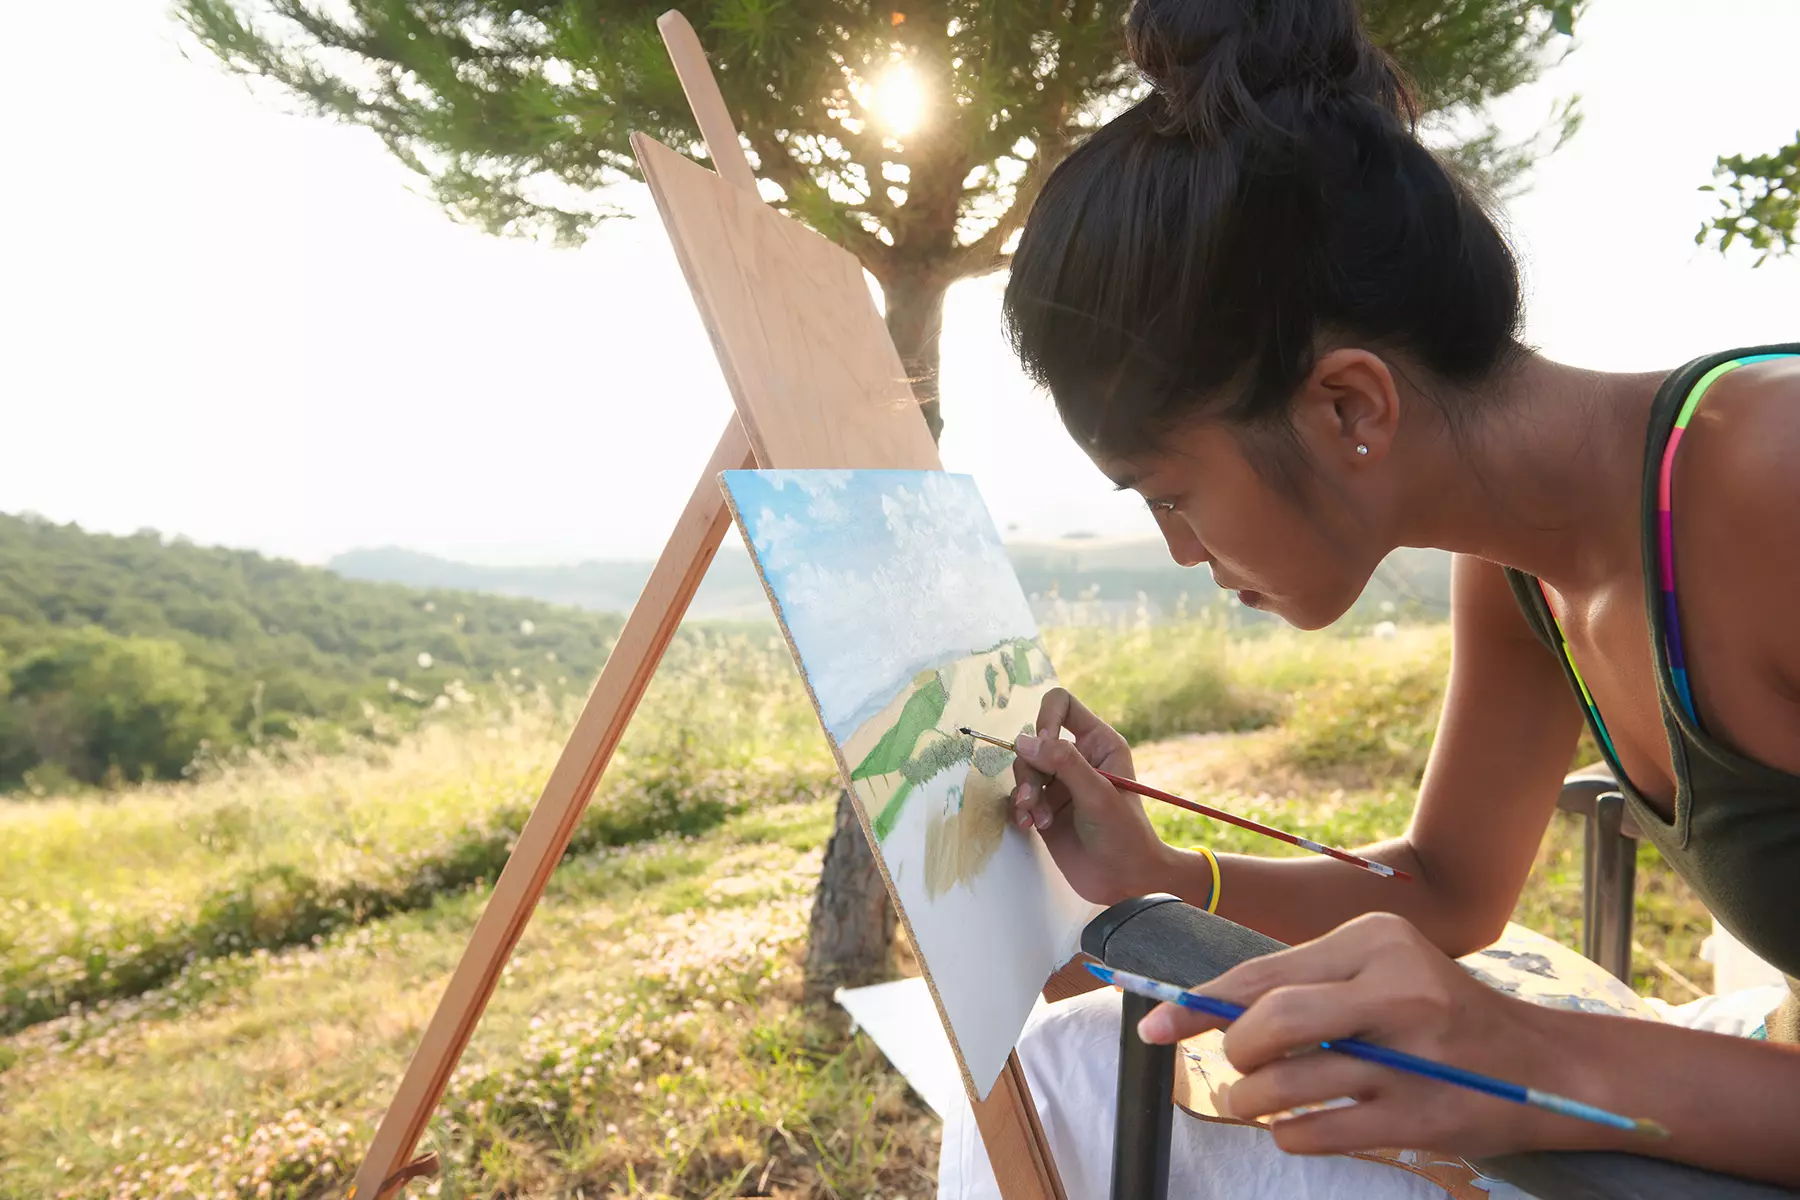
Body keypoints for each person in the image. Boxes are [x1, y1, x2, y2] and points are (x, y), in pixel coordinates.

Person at [944, 0, 1800, 1191]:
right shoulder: (1523, 575)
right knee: (1080, 1063)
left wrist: (1532, 1051)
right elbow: (1449, 888)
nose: (1182, 552)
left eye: (1171, 492)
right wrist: (1164, 877)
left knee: (1088, 1091)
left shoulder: (1775, 483)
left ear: (1349, 407)